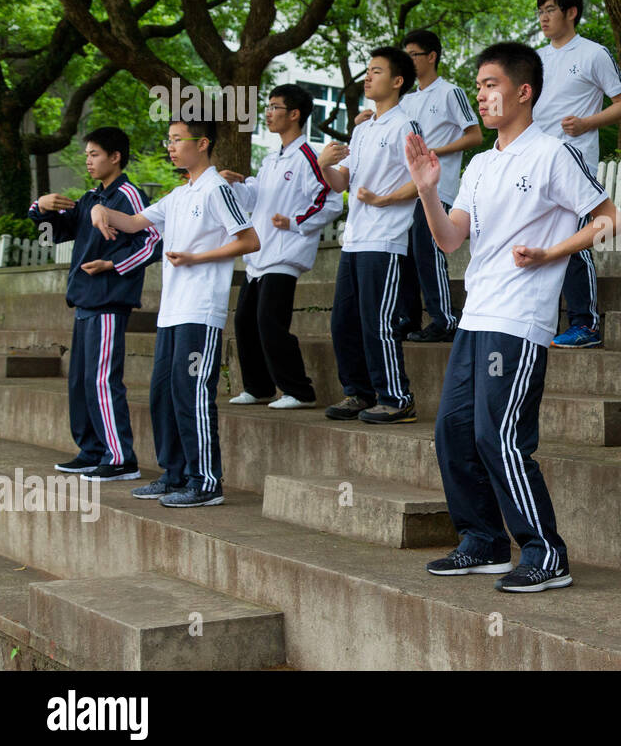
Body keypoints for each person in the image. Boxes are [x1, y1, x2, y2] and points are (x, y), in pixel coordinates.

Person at [411, 42, 620, 592]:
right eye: (478, 86)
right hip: (476, 317)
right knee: (453, 432)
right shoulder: (481, 164)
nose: (481, 95)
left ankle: (545, 552)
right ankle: (482, 541)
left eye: (491, 85)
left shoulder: (552, 154)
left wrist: (553, 253)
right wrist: (428, 192)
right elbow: (449, 238)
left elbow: (608, 219)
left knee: (499, 436)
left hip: (519, 319)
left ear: (523, 92)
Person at [91, 118, 260, 507]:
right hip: (171, 312)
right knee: (163, 394)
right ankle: (174, 475)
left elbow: (250, 240)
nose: (170, 146)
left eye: (177, 139)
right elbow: (133, 222)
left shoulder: (217, 189)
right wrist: (100, 208)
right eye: (168, 140)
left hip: (200, 310)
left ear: (202, 144)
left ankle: (206, 482)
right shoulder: (179, 194)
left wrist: (197, 258)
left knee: (191, 394)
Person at [28, 126, 161, 481]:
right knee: (80, 382)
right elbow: (53, 234)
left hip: (108, 302)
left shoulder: (129, 195)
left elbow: (153, 241)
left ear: (115, 157)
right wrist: (39, 207)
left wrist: (113, 265)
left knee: (102, 380)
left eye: (94, 154)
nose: (88, 161)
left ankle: (120, 458)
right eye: (86, 154)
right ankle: (91, 451)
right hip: (85, 302)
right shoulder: (89, 198)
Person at [220, 84, 342, 409]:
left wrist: (294, 221)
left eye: (275, 107)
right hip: (260, 254)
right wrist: (235, 185)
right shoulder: (271, 158)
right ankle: (258, 388)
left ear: (294, 114)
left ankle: (299, 391)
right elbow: (254, 200)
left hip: (285, 253)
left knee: (270, 322)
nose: (268, 113)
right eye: (268, 106)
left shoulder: (310, 157)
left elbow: (329, 202)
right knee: (244, 322)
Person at [317, 47, 422, 424]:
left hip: (385, 240)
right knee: (343, 322)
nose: (367, 77)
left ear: (397, 81)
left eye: (376, 71)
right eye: (367, 70)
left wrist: (384, 199)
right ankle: (359, 393)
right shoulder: (361, 130)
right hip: (355, 239)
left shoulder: (406, 126)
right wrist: (324, 166)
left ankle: (397, 398)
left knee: (378, 321)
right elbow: (341, 181)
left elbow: (423, 179)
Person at [532, 0, 621, 348]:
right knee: (540, 238)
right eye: (540, 12)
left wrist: (588, 122)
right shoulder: (535, 60)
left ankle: (586, 325)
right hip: (536, 159)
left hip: (574, 158)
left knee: (572, 238)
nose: (543, 18)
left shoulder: (593, 54)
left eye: (550, 10)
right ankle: (542, 319)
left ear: (571, 12)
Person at [396, 29, 482, 342]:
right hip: (407, 189)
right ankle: (407, 318)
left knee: (427, 250)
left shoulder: (450, 92)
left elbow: (475, 135)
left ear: (431, 56)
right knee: (406, 253)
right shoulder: (405, 100)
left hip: (437, 188)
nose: (408, 61)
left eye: (413, 55)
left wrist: (435, 152)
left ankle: (444, 319)